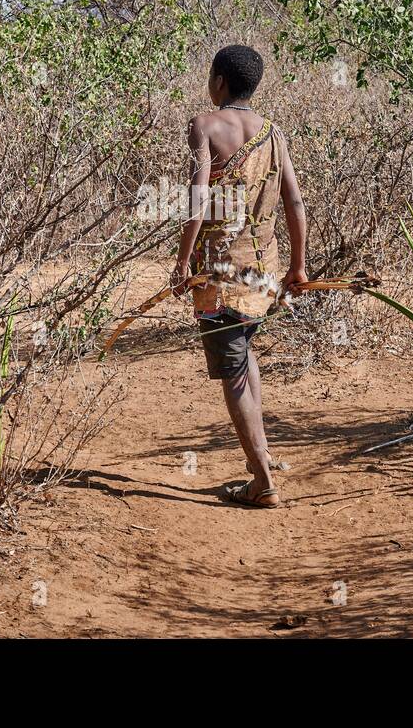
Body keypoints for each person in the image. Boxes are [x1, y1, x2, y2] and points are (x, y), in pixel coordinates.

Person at [171, 44, 307, 508]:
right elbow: (294, 203)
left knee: (234, 374)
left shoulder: (205, 126)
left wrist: (181, 264)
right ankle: (263, 456)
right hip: (263, 276)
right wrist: (297, 266)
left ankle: (261, 479)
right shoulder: (274, 133)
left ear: (219, 82)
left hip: (221, 277)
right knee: (244, 357)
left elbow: (196, 201)